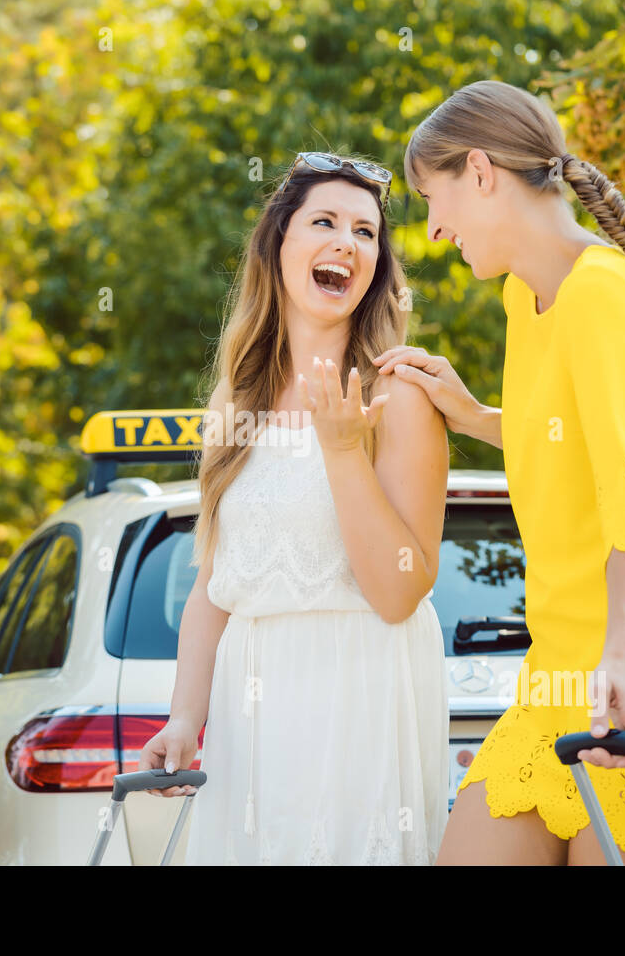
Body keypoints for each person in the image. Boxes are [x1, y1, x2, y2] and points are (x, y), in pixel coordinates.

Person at [375, 80, 625, 865]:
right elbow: (570, 442)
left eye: (431, 197)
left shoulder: (604, 295)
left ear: (480, 171)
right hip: (559, 669)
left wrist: (616, 659)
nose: (434, 228)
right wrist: (475, 415)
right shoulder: (528, 296)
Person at [139, 152, 450, 864]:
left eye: (367, 232)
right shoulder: (236, 402)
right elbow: (214, 588)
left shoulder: (399, 394)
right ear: (278, 245)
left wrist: (344, 454)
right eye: (325, 222)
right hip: (251, 720)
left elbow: (401, 589)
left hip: (359, 699)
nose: (348, 242)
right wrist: (186, 717)